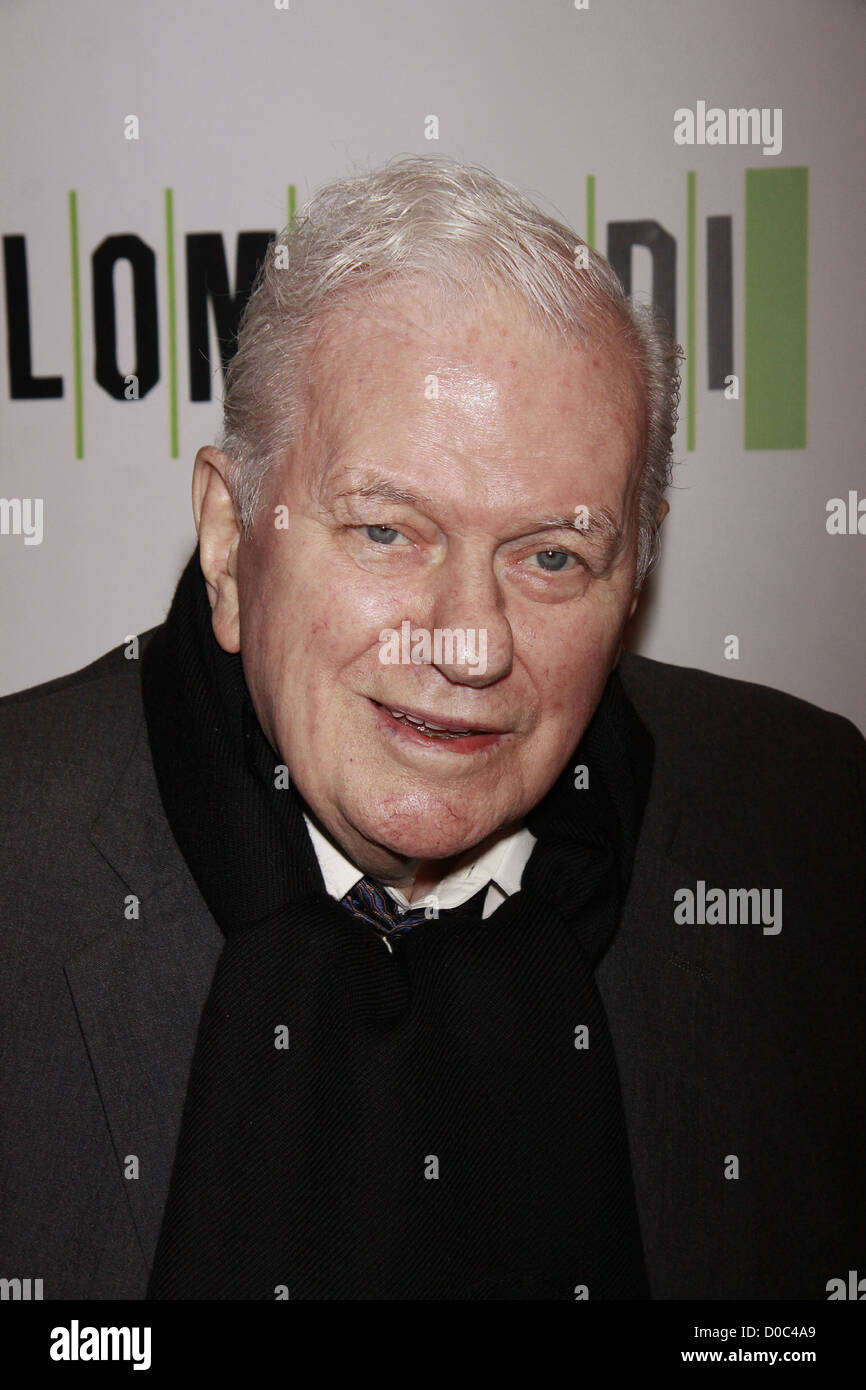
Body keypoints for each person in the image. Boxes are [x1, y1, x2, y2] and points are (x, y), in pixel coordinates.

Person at [1, 156, 863, 1301]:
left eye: (551, 556)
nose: (466, 645)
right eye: (385, 533)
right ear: (226, 538)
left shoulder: (807, 821)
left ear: (634, 571)